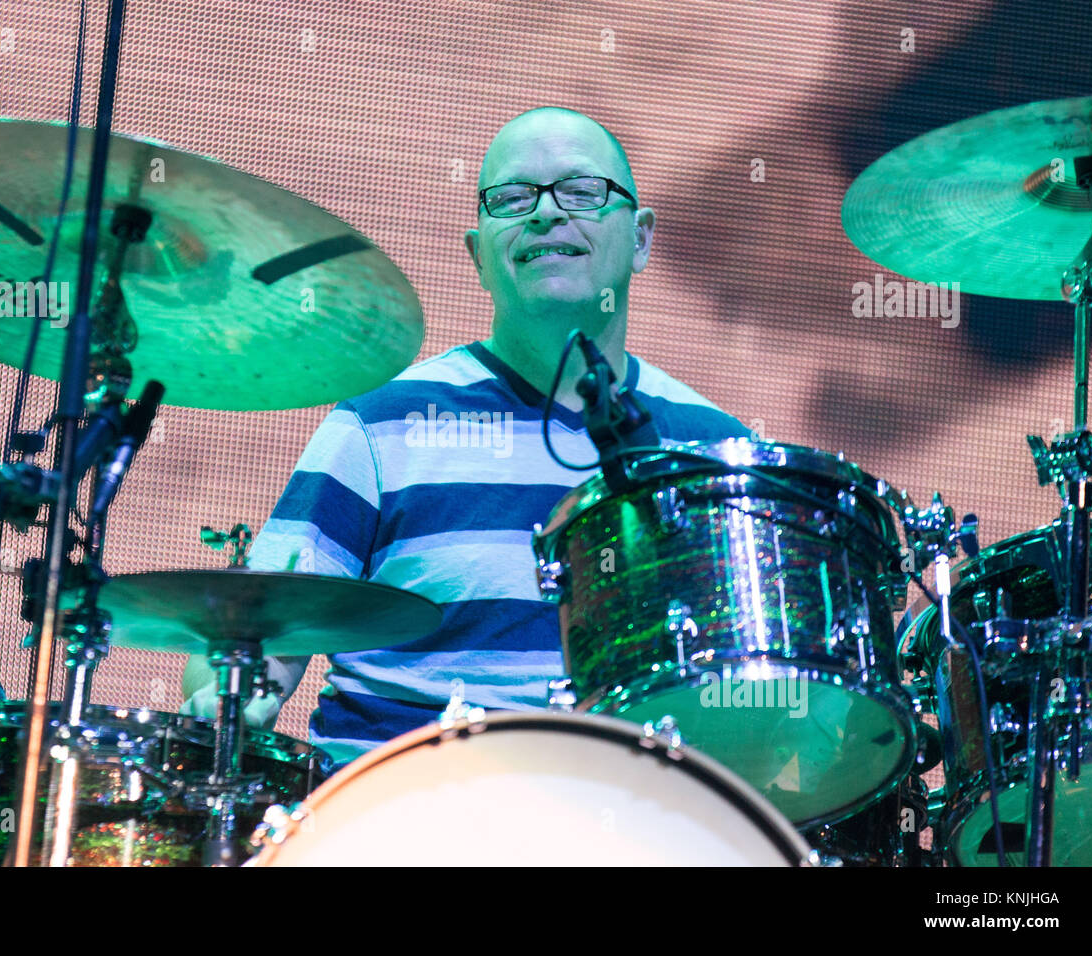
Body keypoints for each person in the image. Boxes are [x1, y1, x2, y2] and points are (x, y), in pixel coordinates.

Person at [181, 106, 750, 769]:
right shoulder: (382, 424)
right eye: (512, 198)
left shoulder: (716, 453)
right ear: (478, 254)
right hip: (394, 819)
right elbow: (245, 647)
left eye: (582, 191)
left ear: (643, 238)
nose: (545, 212)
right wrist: (229, 694)